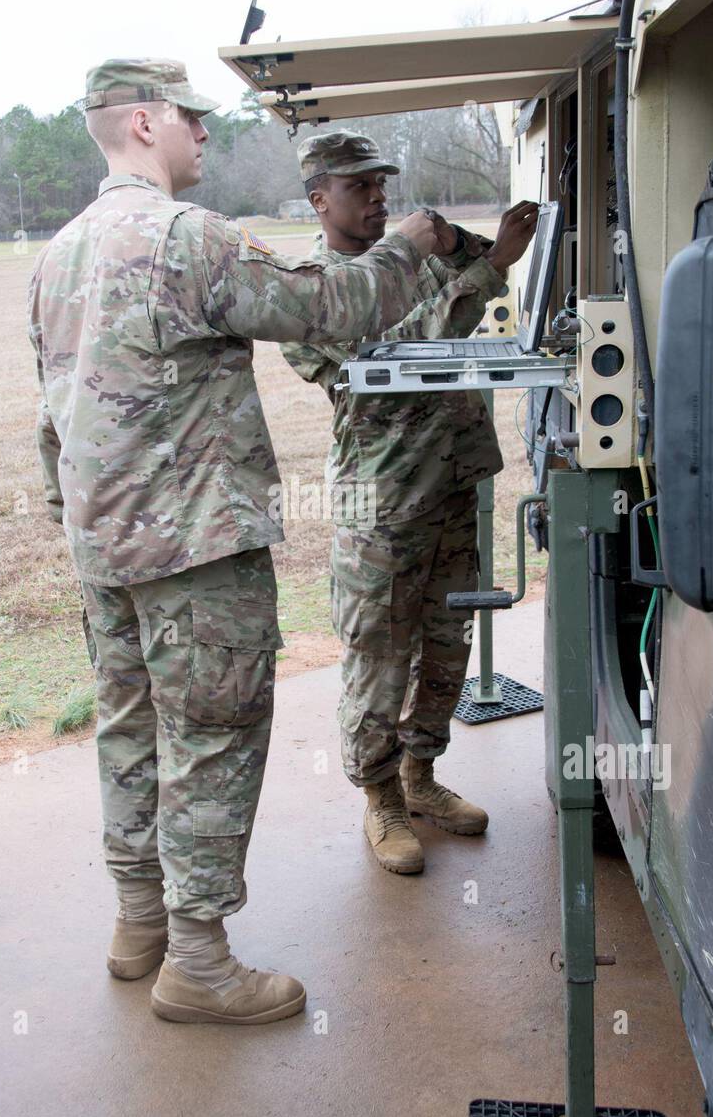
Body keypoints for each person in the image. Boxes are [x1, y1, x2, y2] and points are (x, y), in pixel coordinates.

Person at [28, 60, 443, 1025]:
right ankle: (200, 963)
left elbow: (52, 419)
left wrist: (77, 521)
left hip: (107, 552)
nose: (205, 133)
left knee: (131, 733)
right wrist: (413, 246)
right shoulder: (185, 240)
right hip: (195, 554)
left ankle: (141, 925)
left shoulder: (60, 253)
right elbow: (332, 310)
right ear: (143, 123)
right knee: (212, 739)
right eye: (192, 118)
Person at [280, 130, 538, 874]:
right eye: (358, 186)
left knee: (447, 645)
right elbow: (403, 349)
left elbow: (489, 258)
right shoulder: (312, 286)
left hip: (453, 482)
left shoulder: (411, 256)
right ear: (318, 197)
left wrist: (458, 241)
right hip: (384, 499)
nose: (377, 198)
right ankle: (380, 796)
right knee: (380, 654)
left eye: (381, 184)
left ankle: (421, 776)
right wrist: (485, 268)